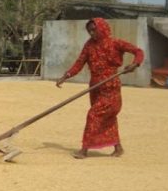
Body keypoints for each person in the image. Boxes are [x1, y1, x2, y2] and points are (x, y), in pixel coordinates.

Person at [55, 17, 143, 158]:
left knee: (93, 115)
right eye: (89, 31)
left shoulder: (116, 43)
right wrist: (66, 76)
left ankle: (84, 150)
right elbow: (79, 63)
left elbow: (138, 52)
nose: (91, 33)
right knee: (108, 118)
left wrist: (135, 64)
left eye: (94, 30)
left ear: (102, 28)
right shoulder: (89, 45)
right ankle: (118, 148)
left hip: (111, 87)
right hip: (95, 87)